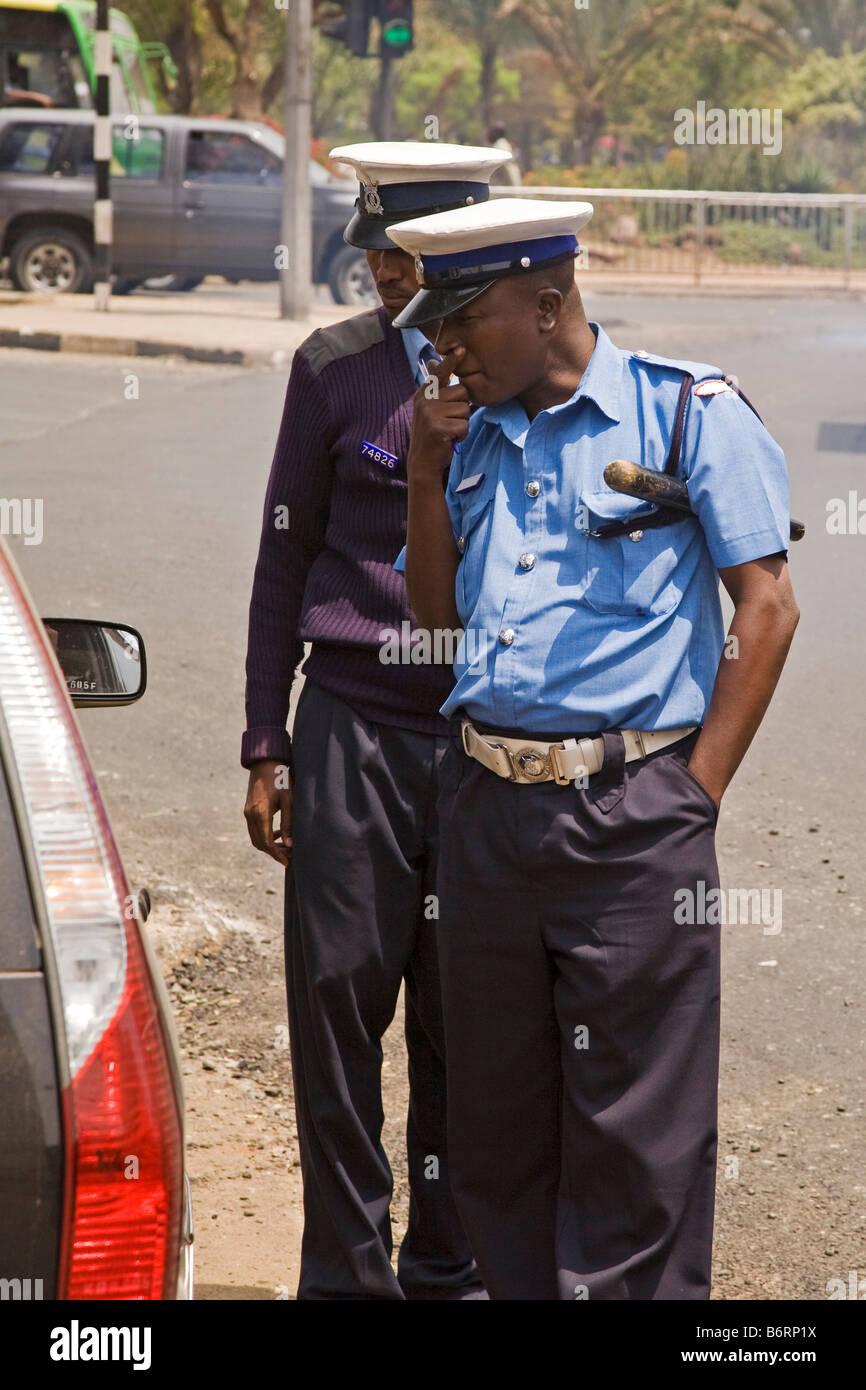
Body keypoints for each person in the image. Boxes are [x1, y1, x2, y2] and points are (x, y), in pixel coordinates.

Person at [386, 197, 800, 1300]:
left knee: (637, 1137)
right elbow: (434, 634)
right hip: (482, 814)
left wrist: (688, 794)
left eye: (464, 321)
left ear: (550, 302)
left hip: (630, 819)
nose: (443, 348)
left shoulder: (684, 414)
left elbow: (764, 610)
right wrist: (425, 475)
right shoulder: (468, 434)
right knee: (496, 1127)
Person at [241, 142, 512, 1300]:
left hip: (477, 742)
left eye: (405, 260)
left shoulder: (516, 381)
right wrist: (267, 738)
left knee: (462, 1022)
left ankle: (443, 1264)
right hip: (348, 727)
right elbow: (282, 552)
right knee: (337, 1018)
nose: (382, 277)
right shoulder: (332, 368)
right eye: (374, 256)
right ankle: (347, 1277)